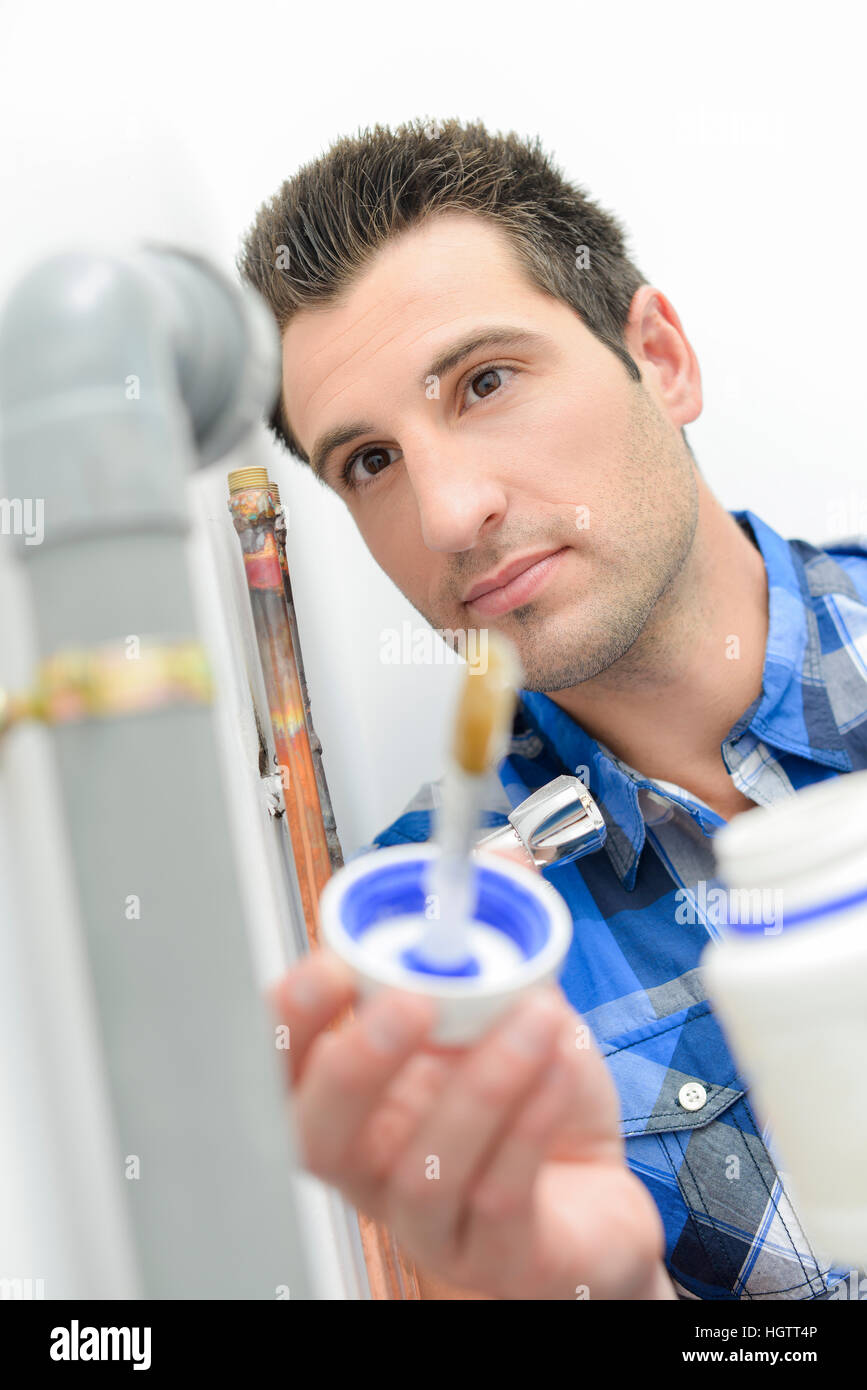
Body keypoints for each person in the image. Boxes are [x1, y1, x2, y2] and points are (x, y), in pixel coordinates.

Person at [238, 118, 867, 1300]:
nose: (447, 515)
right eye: (369, 461)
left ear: (660, 359)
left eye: (484, 382)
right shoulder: (446, 949)